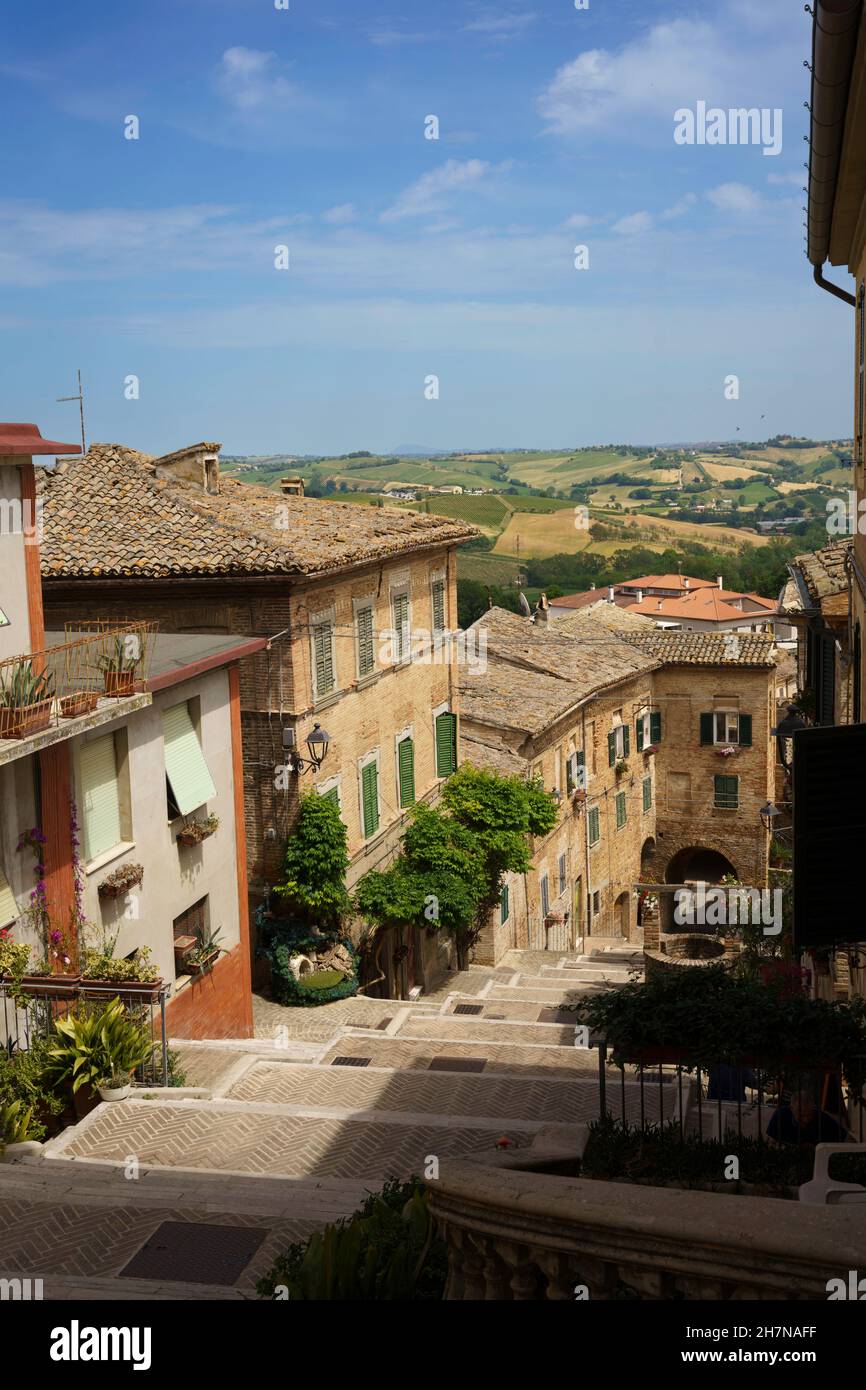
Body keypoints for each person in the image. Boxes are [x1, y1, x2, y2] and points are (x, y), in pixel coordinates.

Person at [766, 1075, 852, 1146]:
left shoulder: (822, 1118)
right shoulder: (781, 1115)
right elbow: (771, 1143)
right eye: (801, 1115)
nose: (805, 1119)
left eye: (809, 1115)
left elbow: (847, 1139)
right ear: (791, 1108)